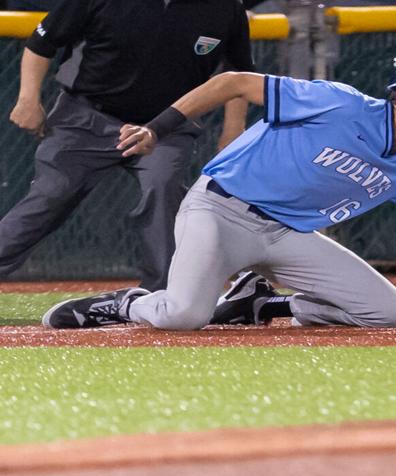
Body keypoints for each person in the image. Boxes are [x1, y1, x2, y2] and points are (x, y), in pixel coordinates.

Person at [43, 60, 396, 329]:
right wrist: (159, 127)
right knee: (184, 316)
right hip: (219, 210)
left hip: (286, 236)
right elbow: (231, 82)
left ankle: (265, 301)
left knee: (390, 316)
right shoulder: (339, 103)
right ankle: (128, 302)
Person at [2, 0, 253, 291]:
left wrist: (235, 127)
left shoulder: (224, 7)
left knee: (164, 189)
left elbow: (238, 74)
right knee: (50, 196)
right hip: (85, 117)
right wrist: (27, 99)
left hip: (165, 126)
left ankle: (167, 295)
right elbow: (41, 42)